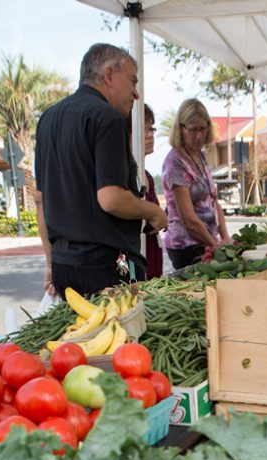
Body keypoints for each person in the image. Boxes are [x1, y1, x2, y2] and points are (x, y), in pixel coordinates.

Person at [34, 43, 168, 299]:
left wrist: (50, 263)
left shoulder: (48, 119)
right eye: (132, 81)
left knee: (81, 336)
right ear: (109, 75)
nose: (136, 93)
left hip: (65, 265)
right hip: (111, 264)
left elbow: (40, 201)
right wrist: (153, 211)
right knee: (125, 333)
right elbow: (111, 198)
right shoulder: (107, 118)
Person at [161, 98, 232, 270]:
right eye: (193, 130)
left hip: (206, 242)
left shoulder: (199, 155)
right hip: (187, 246)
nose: (199, 135)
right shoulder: (175, 162)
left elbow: (213, 200)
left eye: (202, 128)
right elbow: (189, 221)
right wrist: (215, 246)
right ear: (181, 129)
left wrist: (225, 238)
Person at [141, 104, 164, 279]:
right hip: (134, 261)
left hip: (153, 255)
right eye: (144, 129)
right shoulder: (123, 177)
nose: (150, 135)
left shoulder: (148, 176)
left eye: (152, 129)